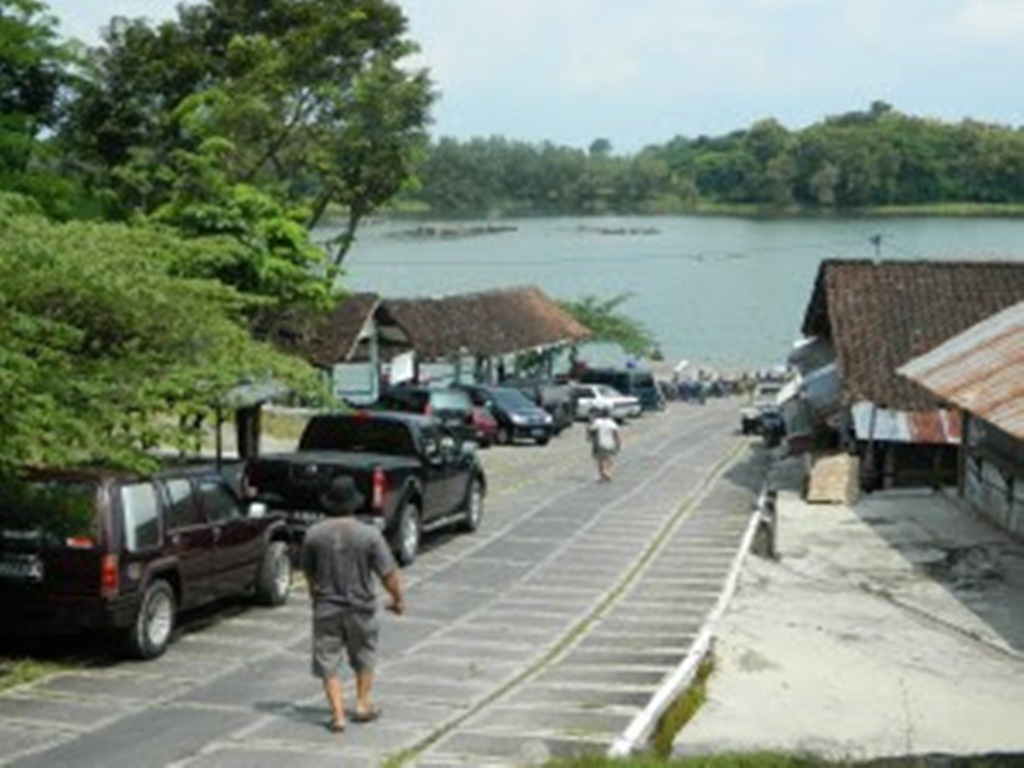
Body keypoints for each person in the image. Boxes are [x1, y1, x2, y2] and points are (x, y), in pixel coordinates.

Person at [300, 475, 405, 734]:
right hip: (361, 607)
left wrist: (316, 597)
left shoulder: (314, 534)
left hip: (327, 608)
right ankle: (361, 704)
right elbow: (387, 572)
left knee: (328, 661)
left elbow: (308, 572)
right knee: (365, 655)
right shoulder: (369, 535)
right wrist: (397, 598)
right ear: (353, 503)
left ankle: (337, 716)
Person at [586, 406, 622, 482]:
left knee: (600, 461)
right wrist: (618, 444)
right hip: (610, 444)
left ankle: (603, 475)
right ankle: (608, 473)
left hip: (600, 444)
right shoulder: (612, 423)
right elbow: (616, 435)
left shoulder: (598, 422)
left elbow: (590, 429)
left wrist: (589, 425)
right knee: (609, 460)